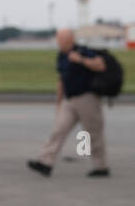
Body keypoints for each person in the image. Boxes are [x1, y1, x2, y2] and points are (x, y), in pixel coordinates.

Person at [28, 28, 110, 177]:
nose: (59, 43)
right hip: (69, 99)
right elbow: (61, 80)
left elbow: (101, 65)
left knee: (93, 133)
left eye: (61, 40)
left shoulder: (84, 51)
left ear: (70, 40)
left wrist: (81, 60)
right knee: (58, 130)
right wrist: (59, 103)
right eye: (58, 40)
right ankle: (45, 162)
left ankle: (101, 166)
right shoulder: (61, 55)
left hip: (87, 99)